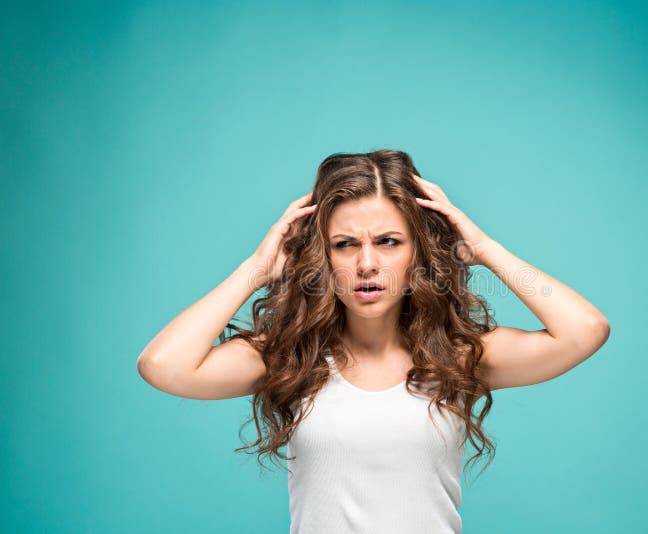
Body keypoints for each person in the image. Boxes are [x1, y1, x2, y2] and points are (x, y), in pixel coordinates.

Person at [137, 149, 611, 534]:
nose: (367, 264)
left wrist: (486, 250)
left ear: (417, 252)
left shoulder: (459, 358)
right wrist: (256, 270)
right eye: (345, 244)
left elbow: (584, 329)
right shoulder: (290, 359)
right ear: (322, 257)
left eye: (388, 241)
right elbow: (163, 364)